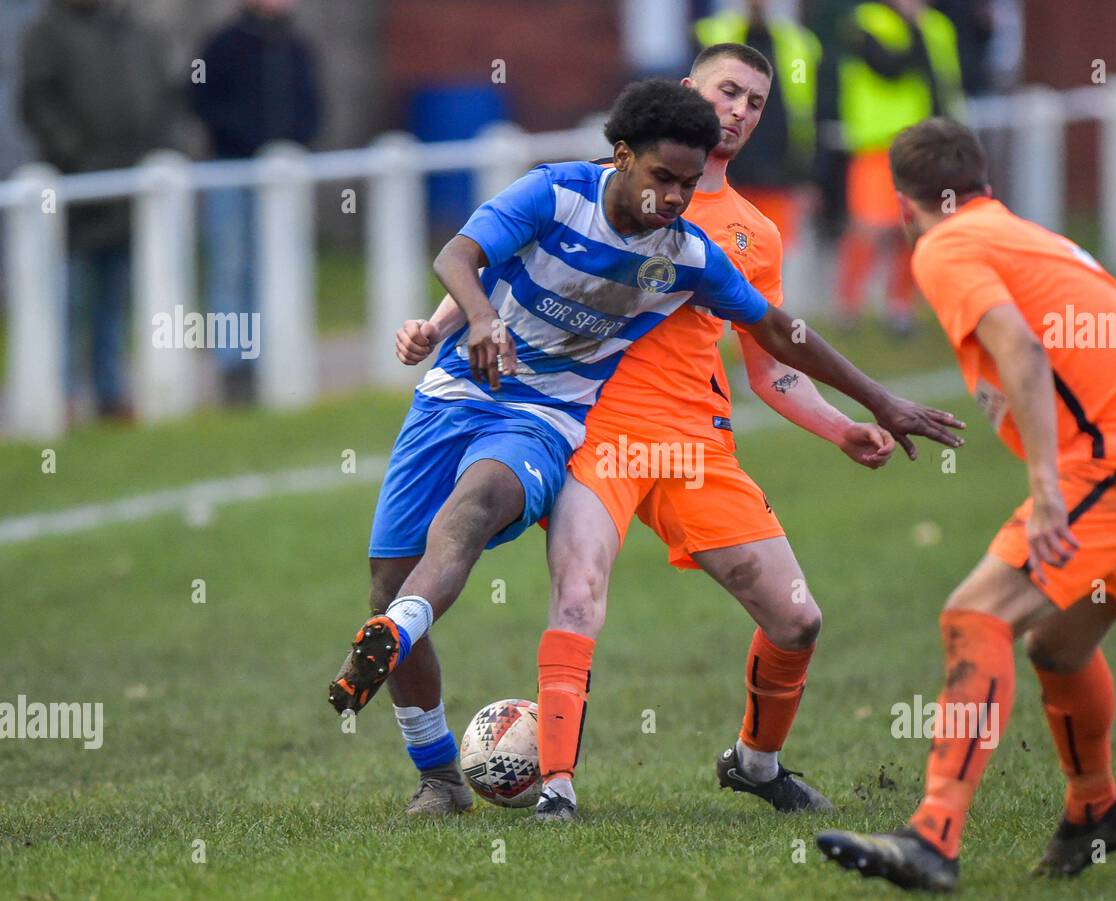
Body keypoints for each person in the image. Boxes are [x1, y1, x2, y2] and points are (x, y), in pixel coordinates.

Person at [327, 80, 960, 819]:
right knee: (388, 576)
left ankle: (403, 636)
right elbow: (458, 255)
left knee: (482, 500)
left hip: (548, 416)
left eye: (689, 185)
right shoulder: (553, 193)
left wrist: (878, 400)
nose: (676, 198)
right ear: (622, 156)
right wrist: (474, 321)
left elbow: (779, 332)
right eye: (663, 179)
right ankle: (438, 774)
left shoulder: (689, 254)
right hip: (452, 396)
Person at [528, 44, 965, 823]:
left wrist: (840, 428)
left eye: (756, 102)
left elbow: (773, 368)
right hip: (599, 431)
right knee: (580, 590)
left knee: (798, 617)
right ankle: (556, 787)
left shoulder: (756, 235)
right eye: (728, 91)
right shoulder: (610, 186)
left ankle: (755, 763)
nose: (740, 110)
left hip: (697, 441)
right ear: (689, 90)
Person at [817, 118, 1116, 891]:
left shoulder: (948, 245)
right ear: (982, 181)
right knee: (1057, 647)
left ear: (904, 206)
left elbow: (1021, 347)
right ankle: (1096, 808)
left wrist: (1052, 492)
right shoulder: (1036, 237)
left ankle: (932, 837)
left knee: (975, 615)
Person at [19, 0, 177, 420]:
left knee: (114, 298)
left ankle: (110, 390)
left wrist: (150, 152)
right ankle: (61, 393)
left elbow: (162, 95)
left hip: (126, 189)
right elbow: (36, 100)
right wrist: (78, 157)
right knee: (65, 298)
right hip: (73, 191)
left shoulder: (132, 29)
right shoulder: (49, 31)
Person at [191, 0, 321, 404]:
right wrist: (249, 143)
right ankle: (236, 371)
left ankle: (277, 360)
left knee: (279, 267)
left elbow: (312, 107)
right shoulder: (223, 44)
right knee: (232, 270)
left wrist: (289, 146)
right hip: (232, 172)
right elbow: (201, 100)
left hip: (281, 180)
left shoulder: (296, 46)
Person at [834, 0, 962, 336]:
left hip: (922, 143)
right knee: (869, 227)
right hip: (877, 143)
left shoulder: (938, 26)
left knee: (914, 228)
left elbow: (945, 83)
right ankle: (848, 306)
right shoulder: (866, 21)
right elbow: (888, 67)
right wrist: (913, 28)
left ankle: (900, 307)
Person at [694, 0, 821, 245]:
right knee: (718, 251)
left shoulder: (798, 42)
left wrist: (809, 173)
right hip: (722, 166)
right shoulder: (710, 34)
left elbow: (811, 109)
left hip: (778, 169)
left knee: (768, 252)